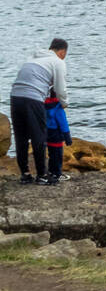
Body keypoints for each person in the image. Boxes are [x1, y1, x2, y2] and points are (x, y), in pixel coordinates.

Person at [9, 39, 69, 186]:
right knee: (39, 136)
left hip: (15, 96)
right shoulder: (58, 62)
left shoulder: (32, 59)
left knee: (21, 137)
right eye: (65, 54)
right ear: (62, 52)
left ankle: (25, 174)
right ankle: (42, 175)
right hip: (33, 99)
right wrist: (64, 103)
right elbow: (61, 89)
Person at [45, 89, 72, 186]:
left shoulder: (44, 105)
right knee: (58, 154)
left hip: (47, 133)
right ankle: (57, 173)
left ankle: (51, 172)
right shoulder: (58, 107)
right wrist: (67, 136)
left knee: (52, 154)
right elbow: (63, 122)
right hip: (56, 133)